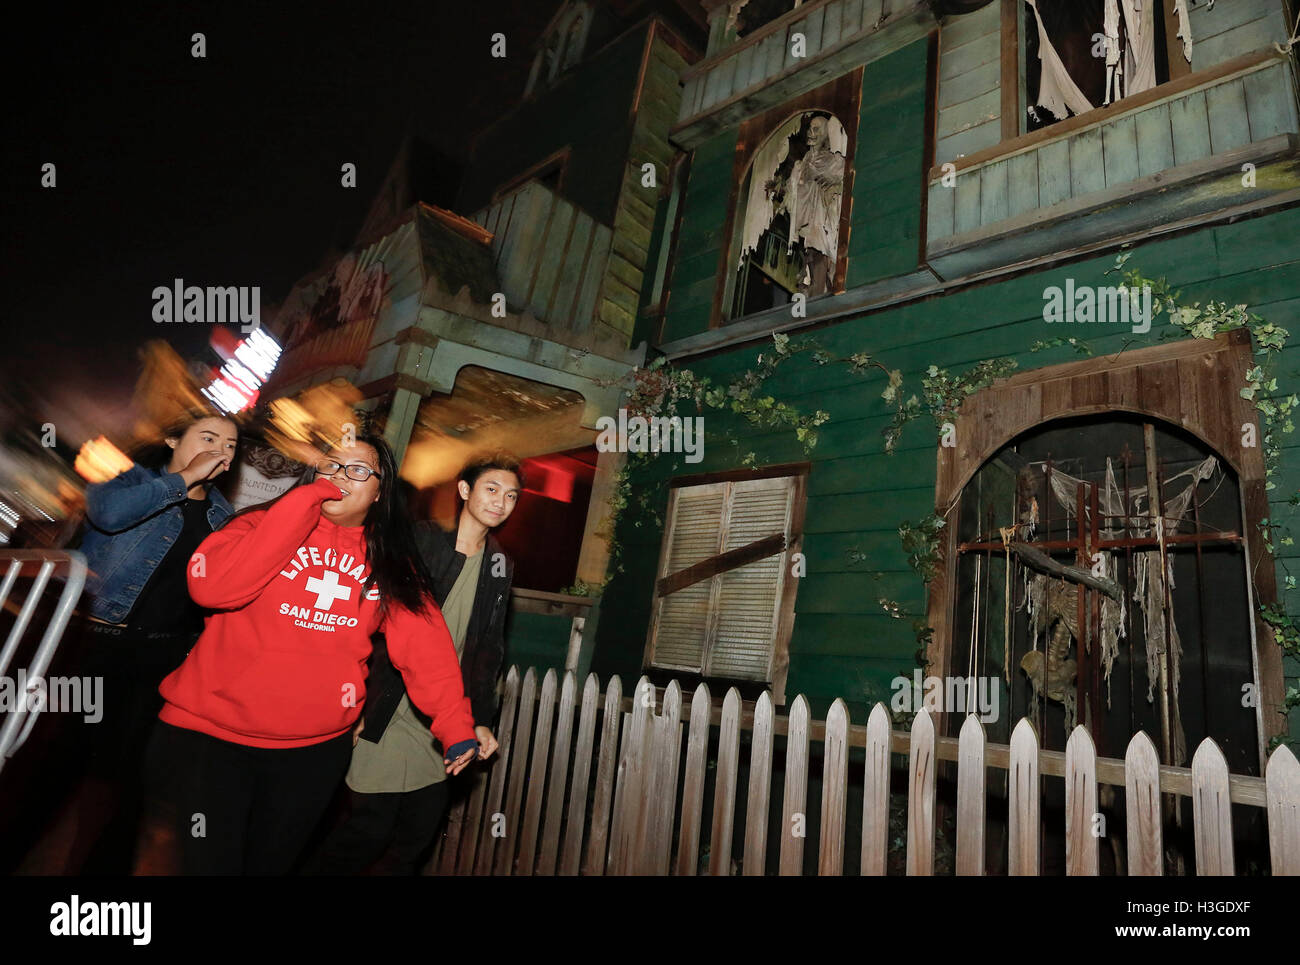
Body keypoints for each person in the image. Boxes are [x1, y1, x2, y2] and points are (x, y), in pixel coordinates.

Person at [139, 433, 480, 875]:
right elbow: (212, 588)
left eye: (358, 470)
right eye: (331, 465)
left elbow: (425, 646)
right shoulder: (253, 525)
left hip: (310, 755)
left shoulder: (392, 561)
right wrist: (306, 501)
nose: (340, 476)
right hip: (206, 740)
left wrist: (454, 724)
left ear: (380, 492)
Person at [19, 410, 238, 874]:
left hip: (163, 657)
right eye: (208, 437)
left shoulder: (223, 515)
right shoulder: (125, 480)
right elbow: (109, 515)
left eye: (231, 444)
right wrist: (184, 479)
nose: (221, 449)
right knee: (57, 765)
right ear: (173, 440)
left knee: (130, 780)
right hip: (93, 646)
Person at [311, 453, 521, 875]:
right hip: (388, 705)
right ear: (465, 490)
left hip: (442, 717)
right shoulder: (419, 541)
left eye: (511, 496)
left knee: (416, 838)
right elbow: (370, 624)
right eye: (491, 489)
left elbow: (487, 652)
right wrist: (355, 706)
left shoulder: (500, 565)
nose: (500, 502)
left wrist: (479, 718)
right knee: (365, 832)